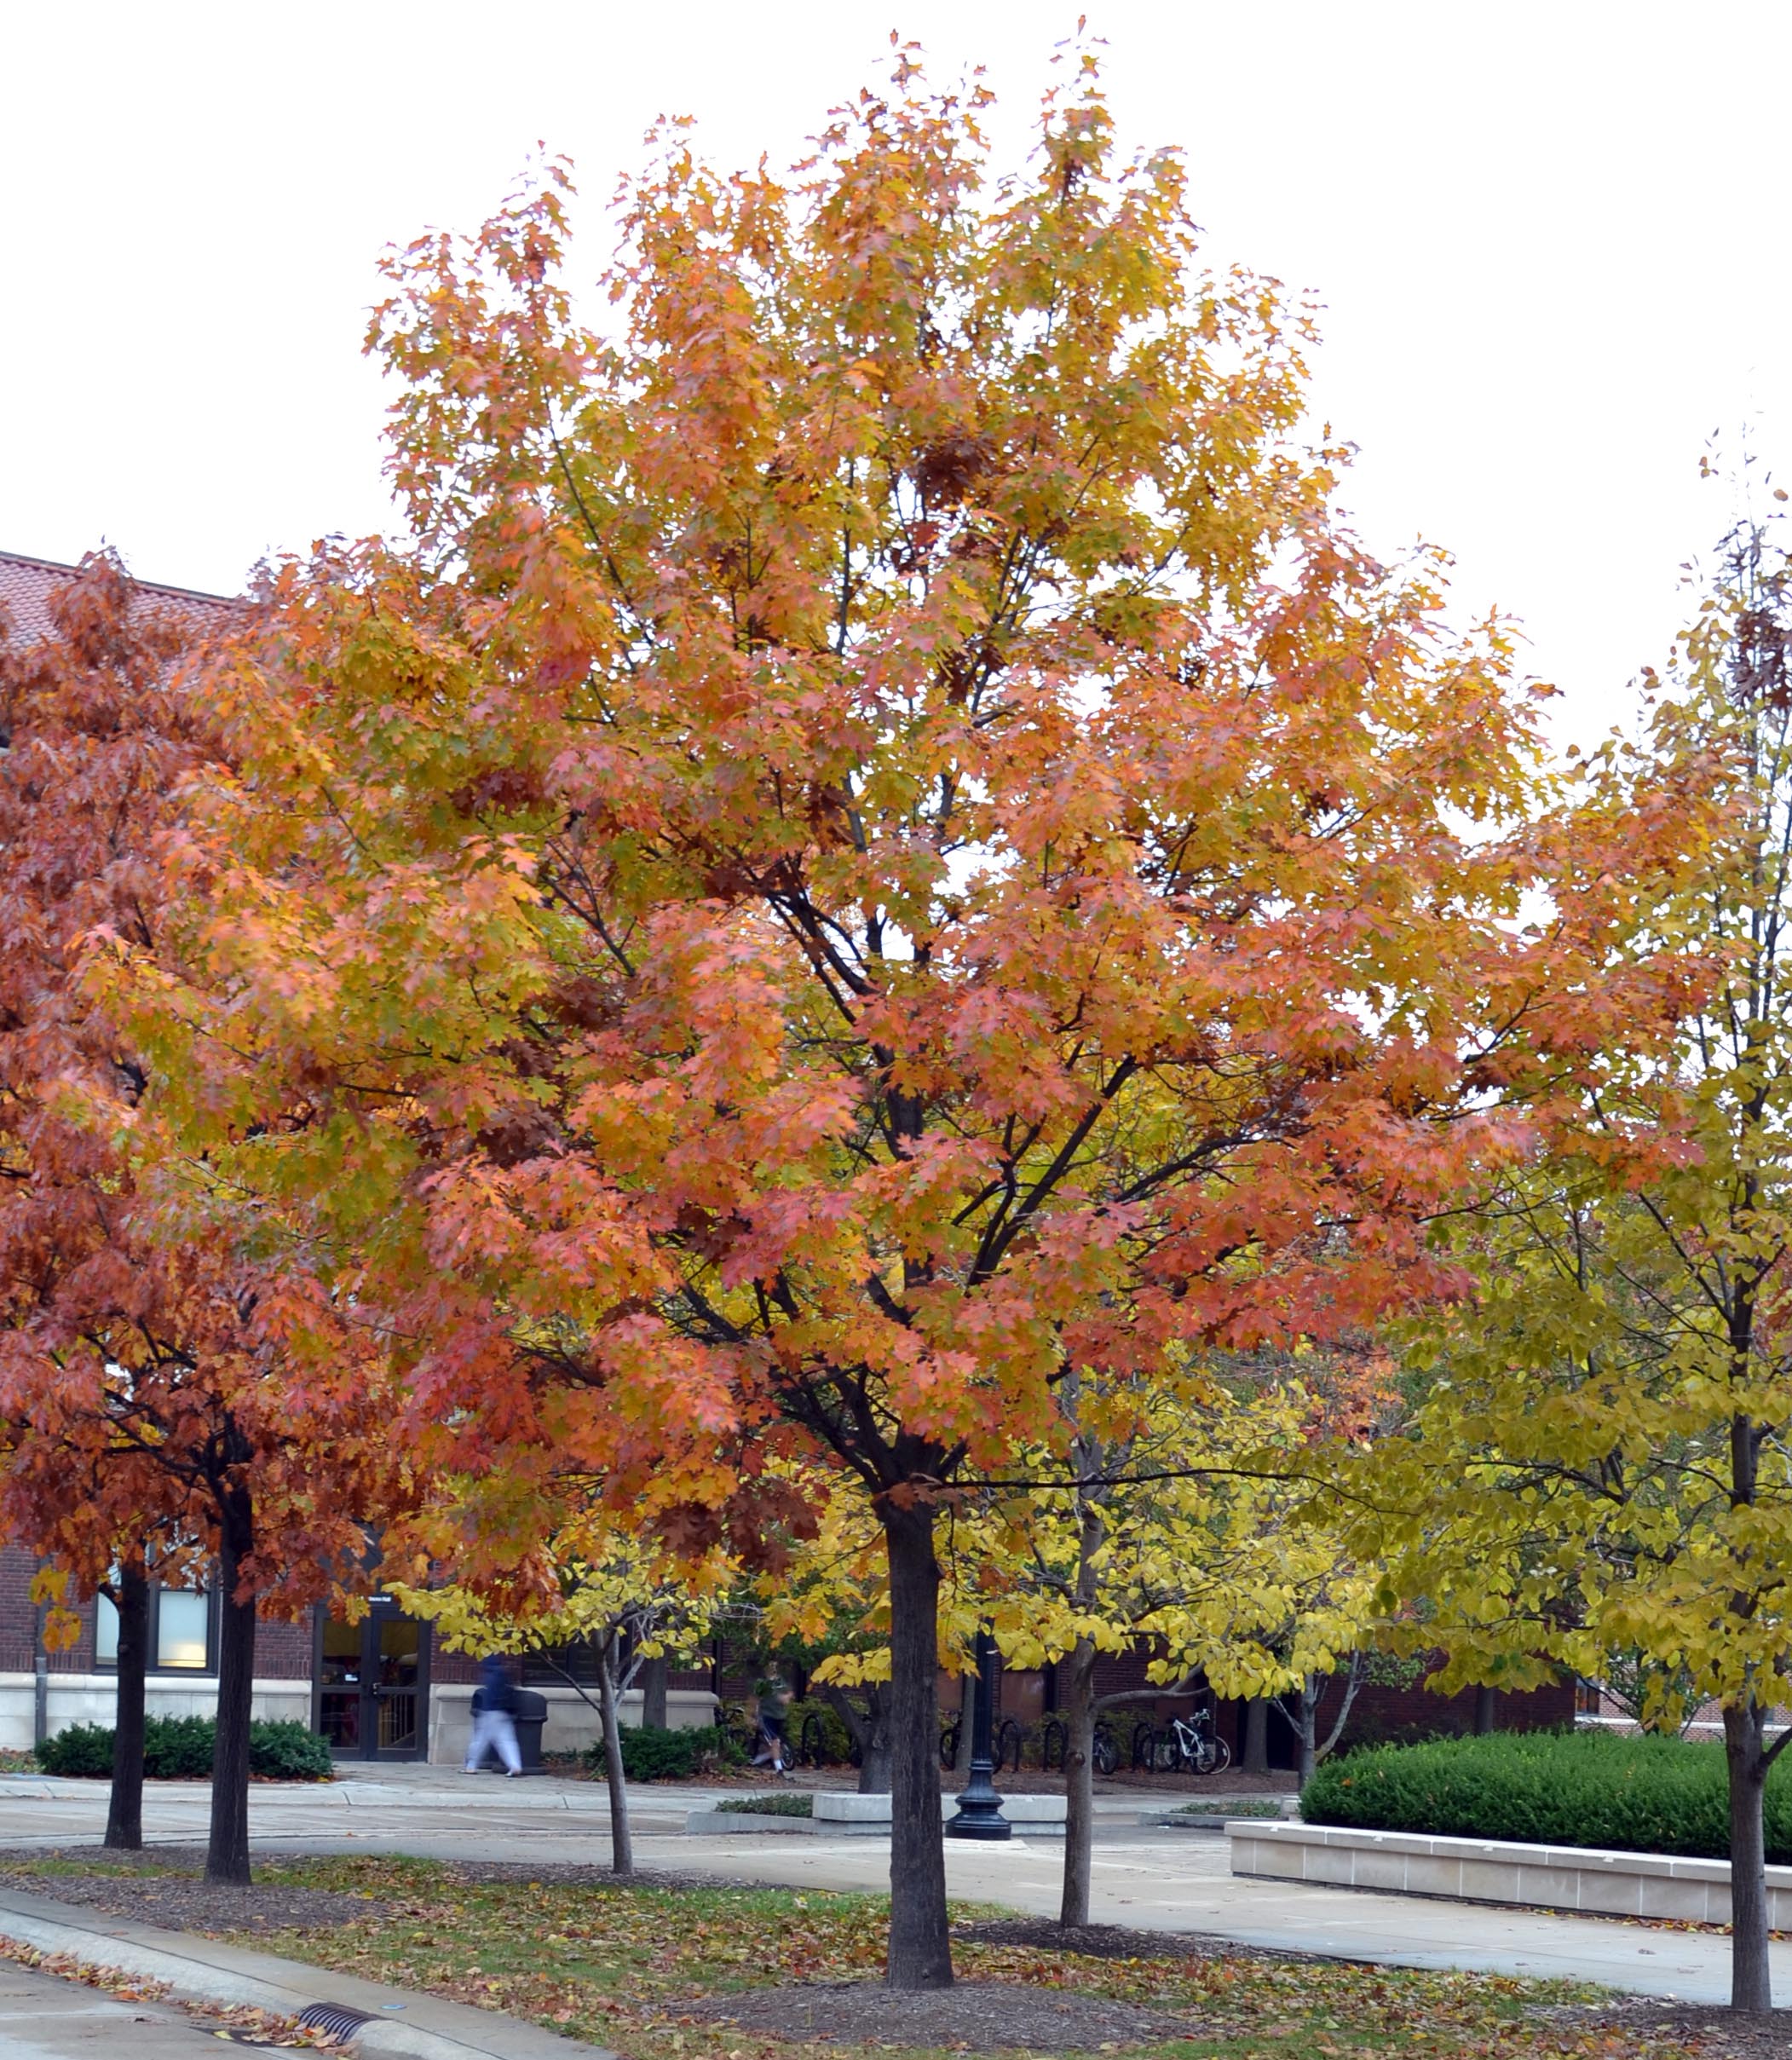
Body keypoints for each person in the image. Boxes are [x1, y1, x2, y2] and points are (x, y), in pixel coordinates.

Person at [464, 1653, 524, 1776]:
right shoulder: (503, 1674)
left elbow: (489, 1696)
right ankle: (515, 1765)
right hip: (504, 1712)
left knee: (480, 1741)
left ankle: (471, 1765)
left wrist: (485, 1709)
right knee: (507, 1741)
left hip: (490, 1712)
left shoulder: (490, 1676)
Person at [752, 1671, 792, 1778]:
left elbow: (789, 1692)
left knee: (776, 1744)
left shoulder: (781, 1681)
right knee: (775, 1742)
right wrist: (754, 1715)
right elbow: (755, 1699)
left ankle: (761, 1759)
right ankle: (779, 1769)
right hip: (767, 1716)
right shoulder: (761, 1683)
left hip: (780, 1716)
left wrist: (786, 1697)